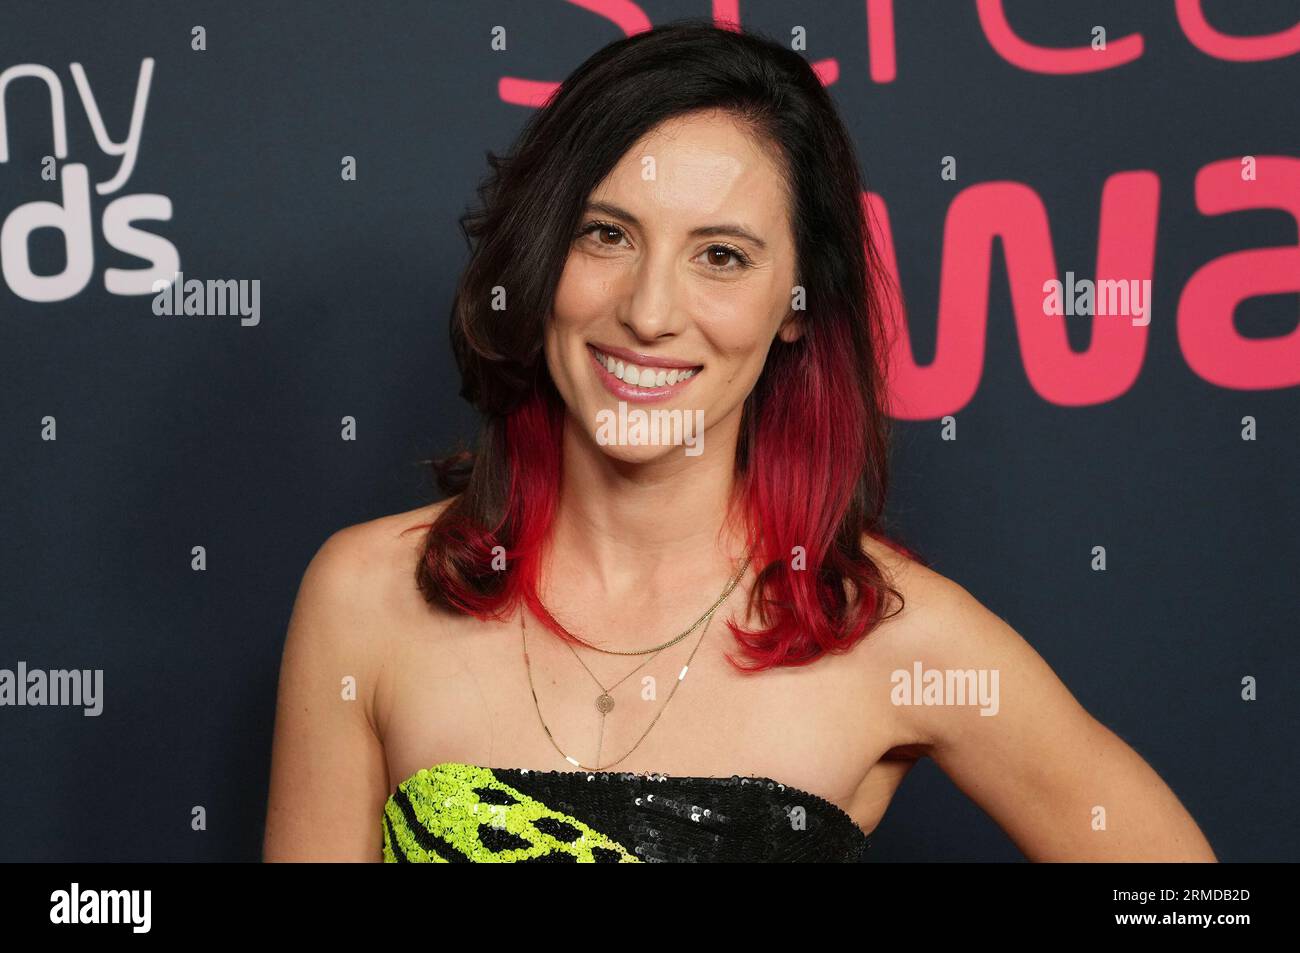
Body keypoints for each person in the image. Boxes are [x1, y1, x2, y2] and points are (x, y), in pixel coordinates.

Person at [262, 20, 1216, 862]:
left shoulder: (893, 636)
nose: (648, 311)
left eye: (721, 256)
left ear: (798, 305)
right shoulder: (365, 598)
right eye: (605, 235)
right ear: (543, 250)